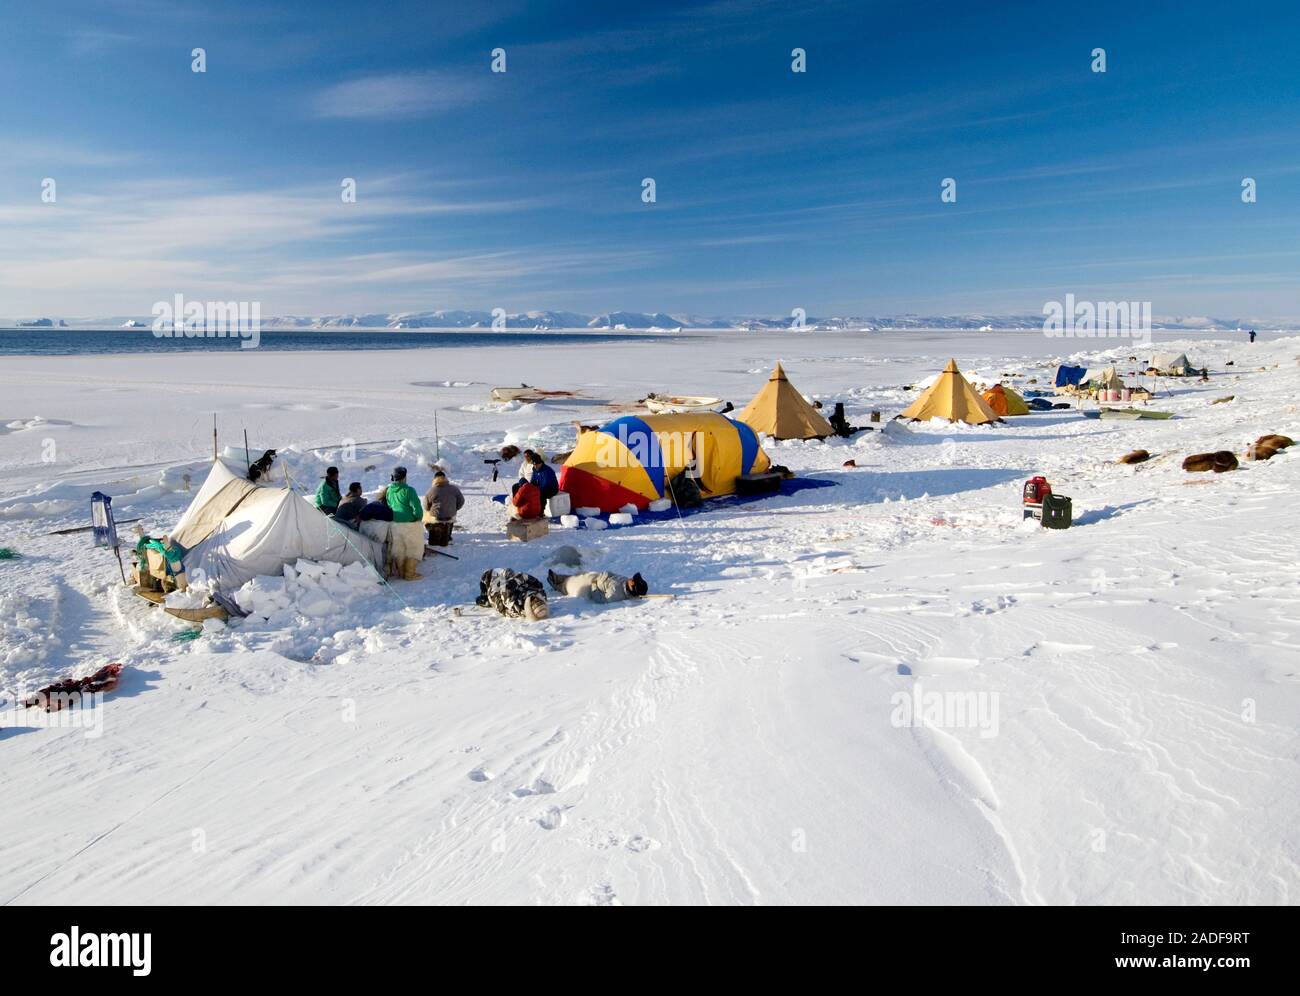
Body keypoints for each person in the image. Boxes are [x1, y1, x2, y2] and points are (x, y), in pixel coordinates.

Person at [384, 467, 426, 580]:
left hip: (395, 525)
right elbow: (417, 509)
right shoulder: (409, 490)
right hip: (410, 525)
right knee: (413, 549)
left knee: (399, 549)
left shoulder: (389, 490)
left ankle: (402, 572)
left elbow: (389, 505)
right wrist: (417, 518)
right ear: (404, 477)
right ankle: (409, 574)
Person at [477, 568, 549, 620]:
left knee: (488, 574)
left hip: (496, 595)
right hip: (511, 587)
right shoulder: (540, 595)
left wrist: (519, 579)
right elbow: (538, 584)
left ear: (529, 608)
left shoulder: (515, 606)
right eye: (539, 601)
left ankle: (484, 598)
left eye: (534, 603)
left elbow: (506, 589)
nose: (536, 599)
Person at [547, 569, 648, 604]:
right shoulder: (626, 582)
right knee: (577, 576)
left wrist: (594, 585)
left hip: (590, 586)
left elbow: (600, 599)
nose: (631, 578)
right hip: (597, 577)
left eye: (633, 580)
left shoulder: (615, 593)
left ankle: (557, 585)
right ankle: (558, 578)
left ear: (632, 586)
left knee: (570, 585)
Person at [423, 470, 464, 545]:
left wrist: (430, 510)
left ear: (434, 480)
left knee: (426, 516)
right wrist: (454, 508)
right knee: (451, 517)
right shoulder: (454, 489)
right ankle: (448, 535)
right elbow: (461, 501)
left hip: (436, 517)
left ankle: (434, 533)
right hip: (450, 516)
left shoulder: (432, 490)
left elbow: (426, 506)